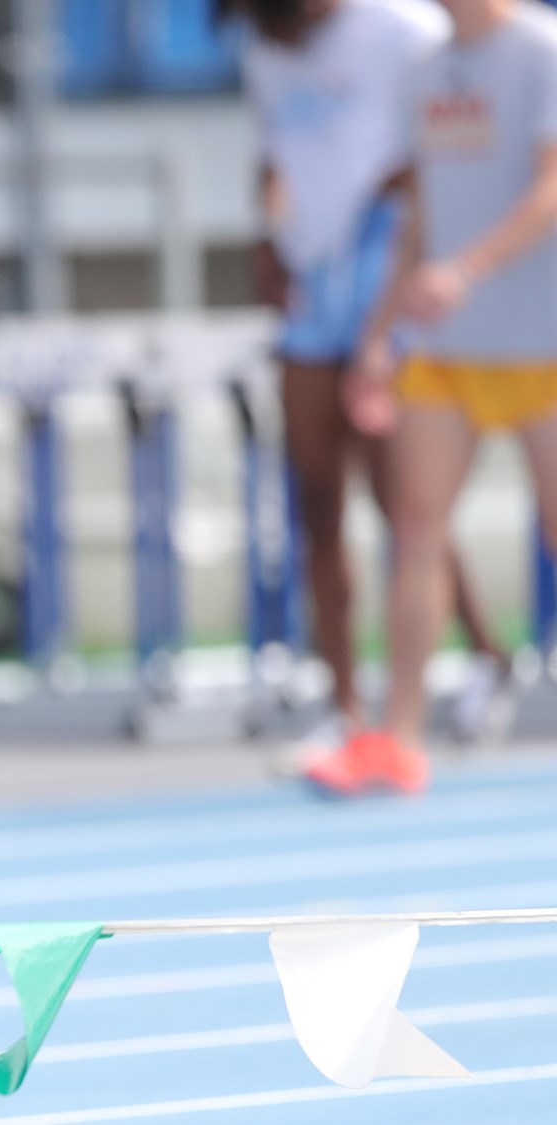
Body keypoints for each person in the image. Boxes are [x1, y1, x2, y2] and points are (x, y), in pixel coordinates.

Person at [223, 0, 513, 774]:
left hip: (389, 265)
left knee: (408, 501)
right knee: (316, 495)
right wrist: (266, 234)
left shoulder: (403, 30)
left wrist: (433, 266)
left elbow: (449, 154)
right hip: (314, 276)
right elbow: (273, 150)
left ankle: (484, 658)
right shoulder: (263, 42)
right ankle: (345, 707)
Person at [309, 0, 557, 796]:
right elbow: (422, 215)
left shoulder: (542, 50)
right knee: (416, 527)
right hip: (446, 351)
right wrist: (378, 338)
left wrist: (468, 269)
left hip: (543, 341)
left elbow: (553, 183)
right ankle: (399, 735)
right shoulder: (422, 69)